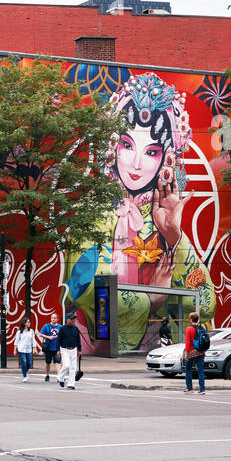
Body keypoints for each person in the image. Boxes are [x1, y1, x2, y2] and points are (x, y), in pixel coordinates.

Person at [64, 73, 215, 351]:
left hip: (158, 347)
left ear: (166, 157)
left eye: (151, 152)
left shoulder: (162, 215)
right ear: (112, 145)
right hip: (94, 345)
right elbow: (85, 288)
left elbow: (205, 301)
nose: (135, 164)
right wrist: (153, 299)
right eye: (127, 145)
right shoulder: (92, 214)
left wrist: (174, 238)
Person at [183, 310, 206, 395]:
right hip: (201, 352)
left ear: (191, 319)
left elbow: (187, 342)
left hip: (192, 352)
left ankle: (189, 388)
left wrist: (186, 353)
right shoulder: (202, 328)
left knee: (188, 369)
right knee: (200, 370)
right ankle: (202, 389)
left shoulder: (189, 329)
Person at [57, 312, 82, 390]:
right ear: (67, 320)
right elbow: (58, 340)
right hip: (64, 349)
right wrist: (58, 350)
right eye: (72, 319)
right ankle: (60, 377)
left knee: (73, 367)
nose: (73, 320)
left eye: (74, 319)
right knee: (67, 365)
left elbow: (78, 339)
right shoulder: (62, 329)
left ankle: (71, 384)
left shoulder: (76, 328)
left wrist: (79, 349)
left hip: (73, 349)